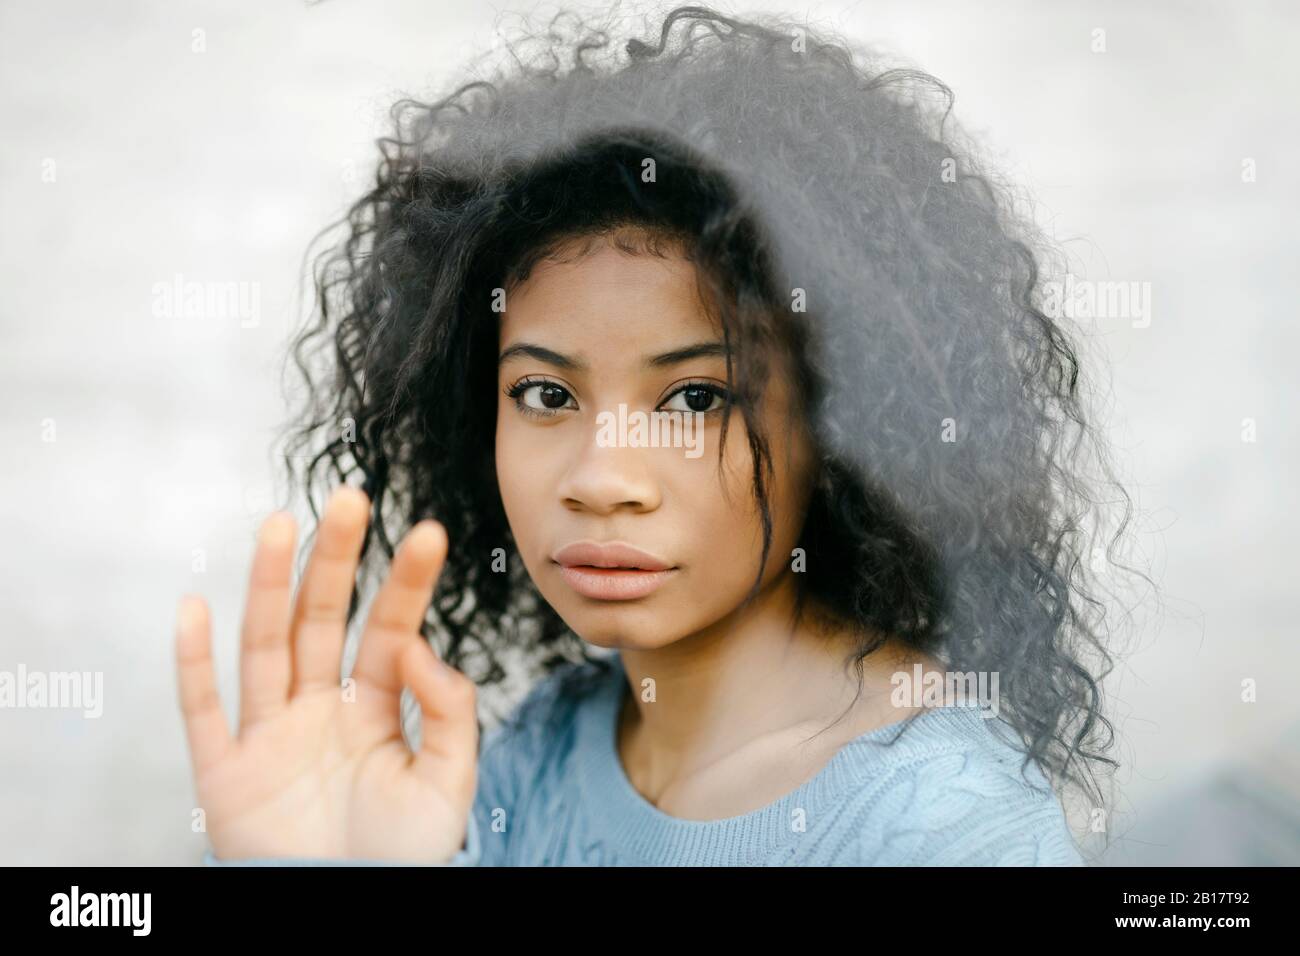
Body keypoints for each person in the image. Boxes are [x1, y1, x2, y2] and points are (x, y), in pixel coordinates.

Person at [176, 4, 1137, 866]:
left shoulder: (942, 825)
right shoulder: (537, 758)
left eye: (695, 400)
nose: (602, 479)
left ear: (842, 427)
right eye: (546, 393)